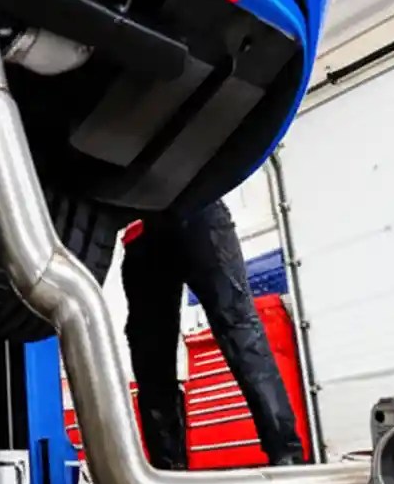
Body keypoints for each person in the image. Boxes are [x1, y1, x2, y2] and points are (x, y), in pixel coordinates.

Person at [120, 199, 306, 469]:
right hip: (153, 229)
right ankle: (170, 475)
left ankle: (286, 453)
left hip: (194, 209)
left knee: (239, 334)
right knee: (156, 357)